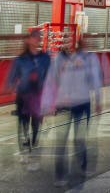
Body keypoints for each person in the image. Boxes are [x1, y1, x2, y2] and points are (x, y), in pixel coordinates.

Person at [41, 37, 104, 187]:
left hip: (82, 102)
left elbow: (95, 78)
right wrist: (47, 104)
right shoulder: (58, 60)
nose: (70, 46)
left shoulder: (89, 59)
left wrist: (98, 98)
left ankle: (82, 164)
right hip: (63, 104)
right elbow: (51, 81)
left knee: (79, 138)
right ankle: (60, 174)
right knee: (61, 141)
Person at [5, 29, 51, 171]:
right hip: (23, 95)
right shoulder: (20, 59)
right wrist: (9, 86)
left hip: (38, 95)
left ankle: (33, 147)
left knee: (36, 125)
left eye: (39, 37)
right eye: (35, 37)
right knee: (24, 123)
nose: (37, 39)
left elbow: (51, 76)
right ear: (29, 40)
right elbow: (12, 77)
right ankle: (25, 148)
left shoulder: (45, 58)